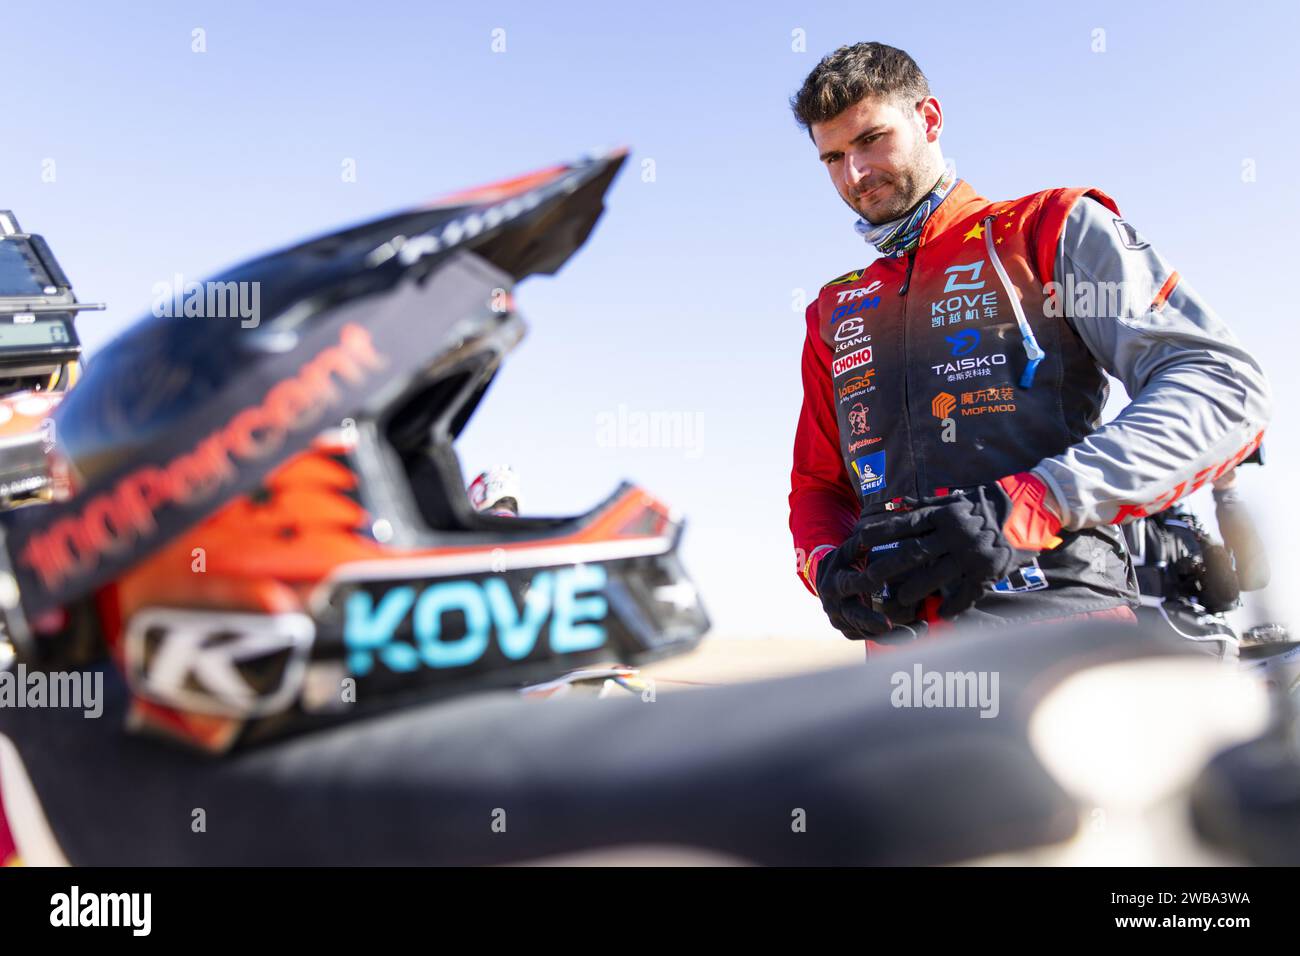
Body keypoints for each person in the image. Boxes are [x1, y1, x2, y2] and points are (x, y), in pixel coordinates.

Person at [787, 43, 1271, 647]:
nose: (854, 175)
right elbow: (818, 486)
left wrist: (1031, 504)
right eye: (832, 156)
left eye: (870, 141)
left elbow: (1222, 387)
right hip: (901, 668)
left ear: (929, 119)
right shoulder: (836, 308)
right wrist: (828, 567)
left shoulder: (1047, 227)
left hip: (1064, 636)